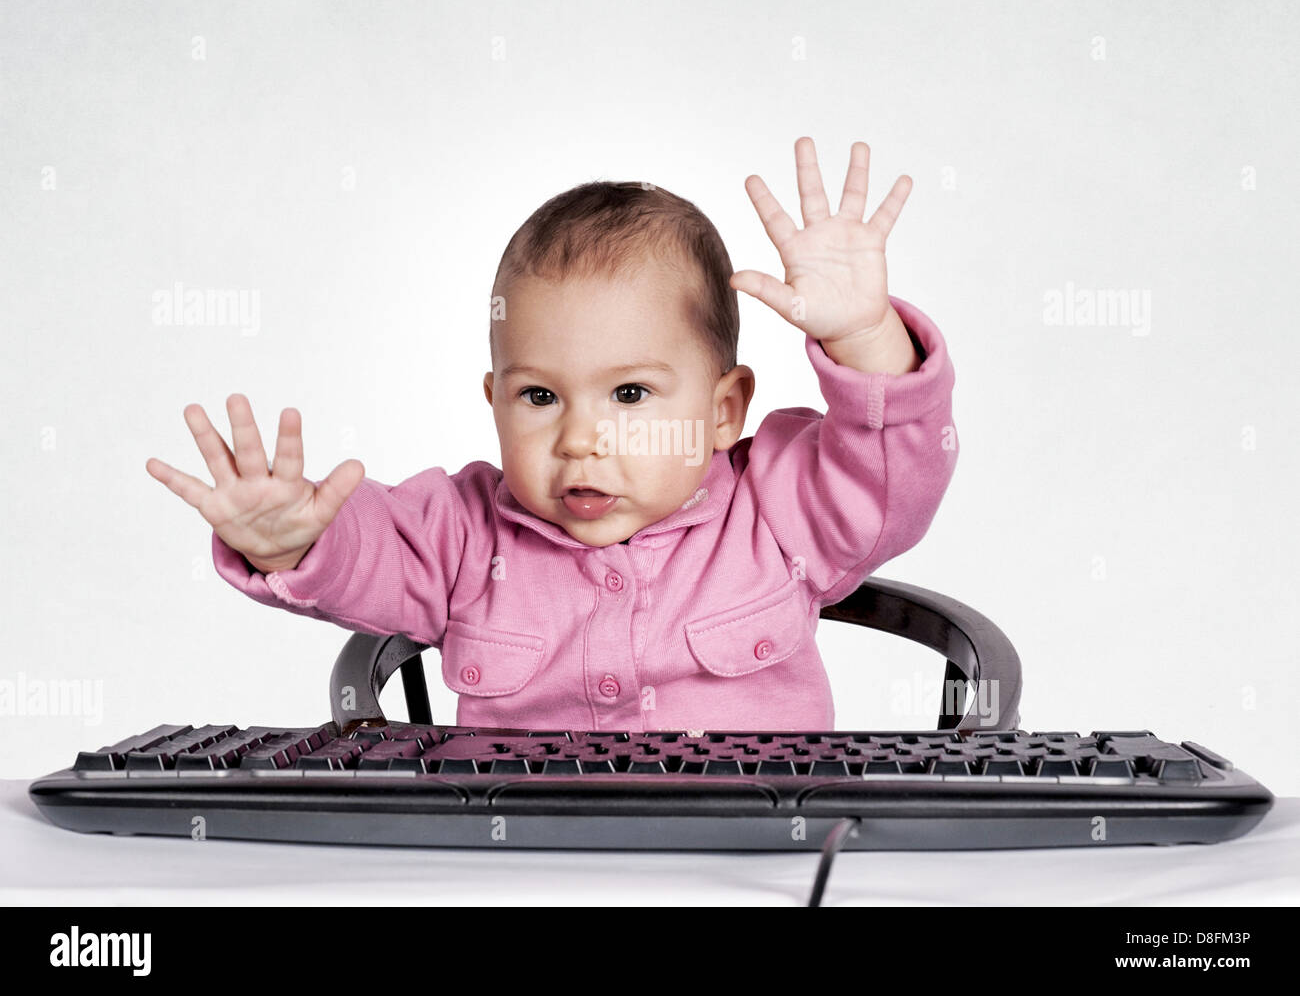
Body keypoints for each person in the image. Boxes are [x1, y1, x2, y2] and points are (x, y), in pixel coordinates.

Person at [145, 137, 957, 732]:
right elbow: (372, 547)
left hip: (752, 867)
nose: (580, 438)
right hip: (511, 870)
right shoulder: (464, 533)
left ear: (723, 409)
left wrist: (865, 336)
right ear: (493, 400)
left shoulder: (779, 508)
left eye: (630, 392)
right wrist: (295, 540)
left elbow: (889, 476)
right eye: (539, 395)